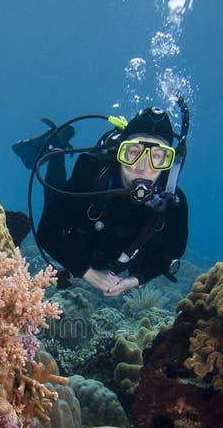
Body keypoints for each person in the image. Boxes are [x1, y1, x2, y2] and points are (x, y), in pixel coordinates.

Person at [13, 106, 189, 297]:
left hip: (110, 256)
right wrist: (87, 272)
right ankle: (56, 150)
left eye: (157, 157)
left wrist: (137, 279)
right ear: (120, 154)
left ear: (169, 164)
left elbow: (171, 254)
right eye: (133, 152)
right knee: (53, 197)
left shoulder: (174, 203)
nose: (143, 167)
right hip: (79, 242)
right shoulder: (92, 179)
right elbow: (47, 233)